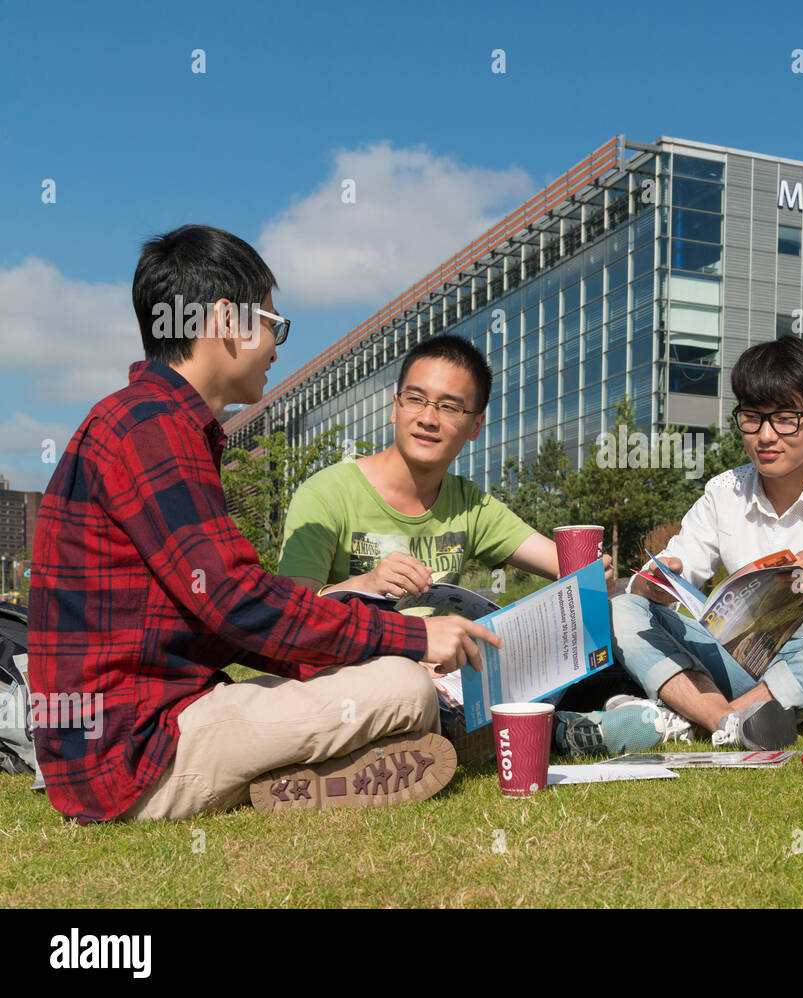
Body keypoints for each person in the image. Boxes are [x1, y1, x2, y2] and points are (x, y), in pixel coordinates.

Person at [29, 225, 503, 823]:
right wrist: (413, 637)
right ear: (227, 321)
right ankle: (315, 776)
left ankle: (310, 774)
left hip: (130, 733)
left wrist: (348, 625)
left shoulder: (146, 422)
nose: (278, 347)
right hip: (137, 756)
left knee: (382, 675)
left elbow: (227, 611)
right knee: (404, 688)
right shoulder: (151, 429)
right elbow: (236, 604)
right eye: (273, 326)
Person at [572, 336, 803, 755]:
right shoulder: (725, 491)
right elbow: (677, 569)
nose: (765, 436)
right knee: (625, 606)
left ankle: (706, 717)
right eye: (752, 418)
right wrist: (654, 584)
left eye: (785, 419)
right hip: (742, 658)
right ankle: (726, 722)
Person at [278, 335, 618, 751]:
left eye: (450, 407)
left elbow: (564, 564)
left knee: (588, 633)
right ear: (395, 406)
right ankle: (556, 732)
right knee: (404, 684)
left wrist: (594, 569)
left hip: (449, 677)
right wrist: (365, 584)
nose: (428, 418)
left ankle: (526, 728)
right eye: (416, 400)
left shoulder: (469, 504)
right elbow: (290, 615)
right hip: (365, 672)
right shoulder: (326, 494)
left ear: (475, 425)